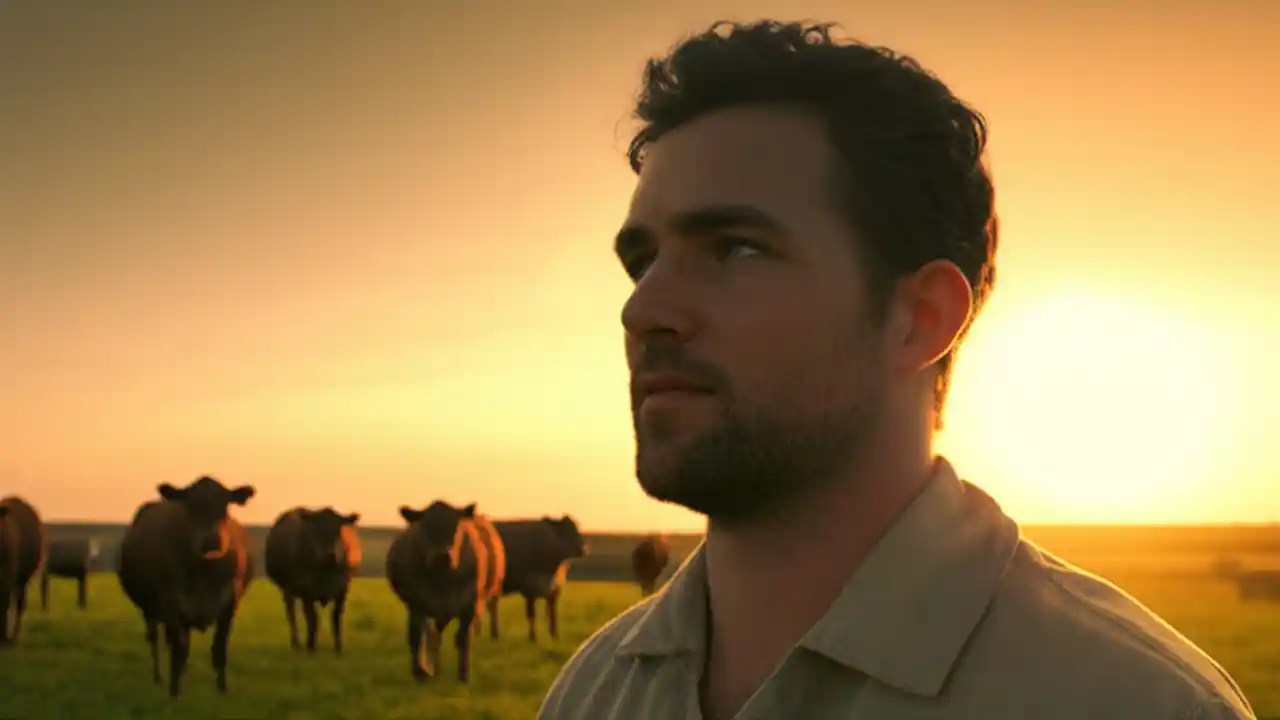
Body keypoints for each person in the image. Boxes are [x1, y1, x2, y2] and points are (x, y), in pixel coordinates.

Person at [538, 19, 1256, 720]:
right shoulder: (593, 692)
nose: (643, 310)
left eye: (736, 249)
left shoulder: (1136, 702)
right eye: (642, 262)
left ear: (922, 318)